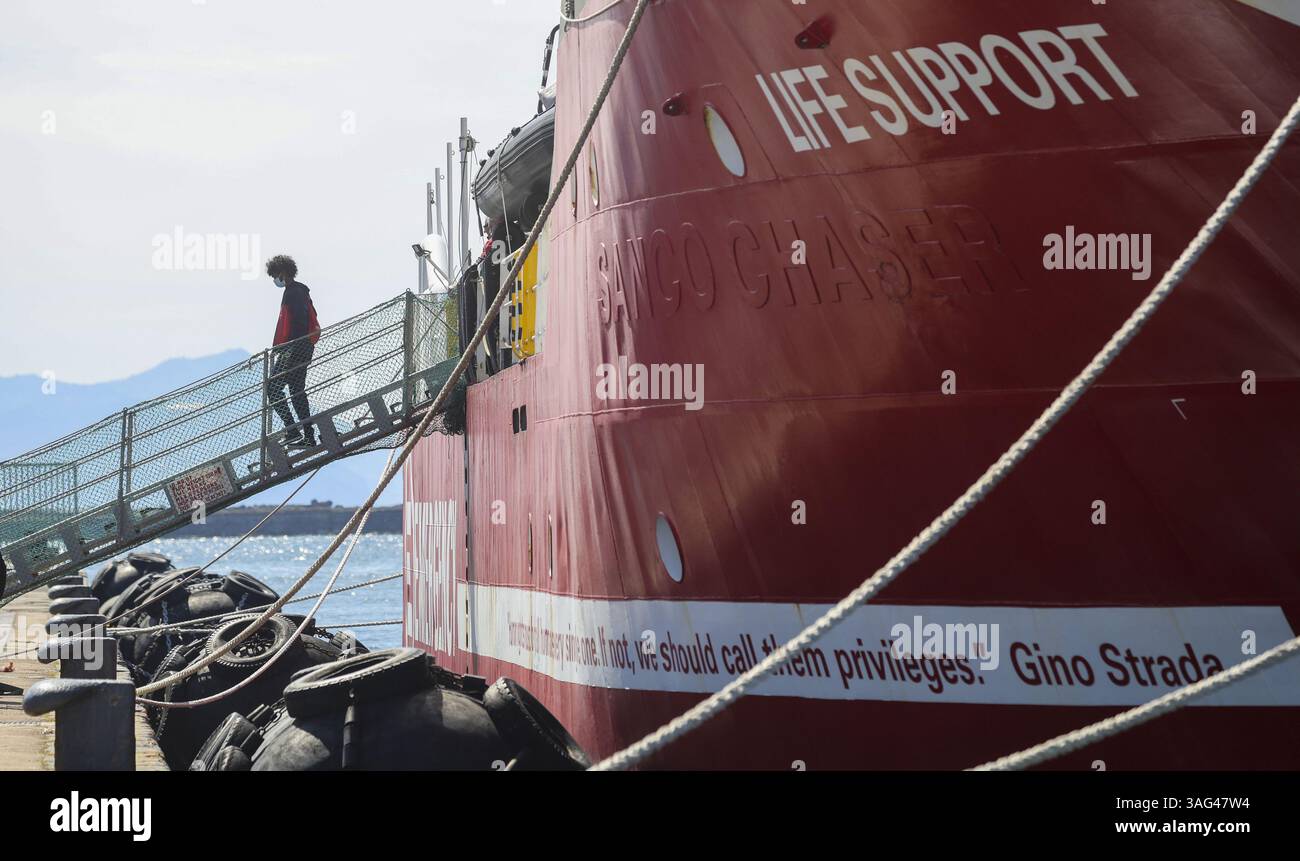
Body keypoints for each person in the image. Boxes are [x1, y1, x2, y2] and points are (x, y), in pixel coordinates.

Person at [265, 255, 321, 447]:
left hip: (295, 349)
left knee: (272, 388)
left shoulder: (293, 293)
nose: (275, 279)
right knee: (297, 391)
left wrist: (286, 347)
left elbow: (297, 321)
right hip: (303, 347)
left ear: (282, 272)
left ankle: (292, 429)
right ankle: (307, 435)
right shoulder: (301, 291)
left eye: (275, 275)